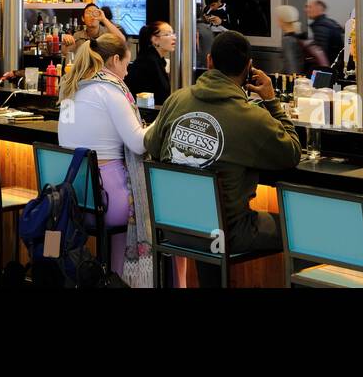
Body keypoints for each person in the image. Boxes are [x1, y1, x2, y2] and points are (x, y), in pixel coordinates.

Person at [146, 30, 300, 287]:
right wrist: (271, 100)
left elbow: (151, 144)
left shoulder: (177, 99)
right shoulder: (251, 118)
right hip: (227, 232)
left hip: (173, 226)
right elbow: (292, 152)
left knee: (207, 218)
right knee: (301, 226)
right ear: (249, 68)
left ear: (209, 61)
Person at [57, 32, 150, 279]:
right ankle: (124, 279)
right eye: (126, 65)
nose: (128, 72)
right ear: (114, 60)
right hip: (106, 200)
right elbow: (139, 144)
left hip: (73, 196)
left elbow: (64, 139)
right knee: (161, 211)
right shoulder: (111, 92)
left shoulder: (69, 89)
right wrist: (157, 127)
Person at [126, 21, 174, 105]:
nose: (174, 38)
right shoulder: (147, 62)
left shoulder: (157, 60)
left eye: (173, 33)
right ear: (155, 40)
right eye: (167, 34)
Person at [273, 5, 328, 76]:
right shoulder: (301, 35)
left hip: (295, 81)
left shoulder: (288, 40)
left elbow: (292, 68)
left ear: (281, 20)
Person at [305, 0, 345, 66]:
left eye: (309, 7)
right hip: (336, 65)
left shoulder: (321, 25)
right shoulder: (330, 22)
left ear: (319, 8)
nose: (306, 10)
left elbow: (321, 54)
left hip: (329, 68)